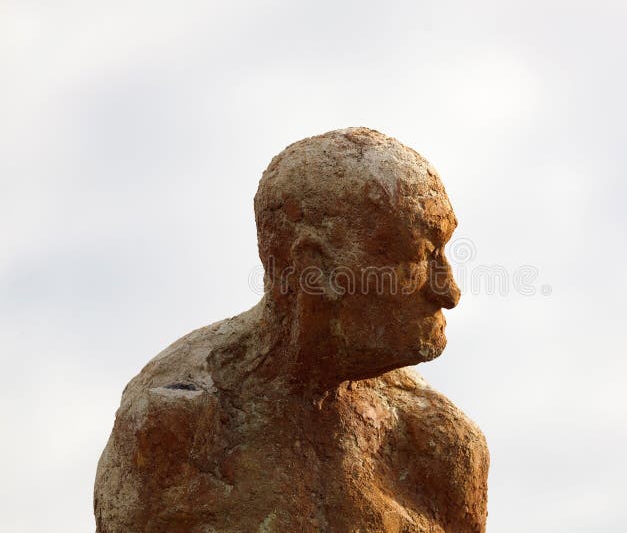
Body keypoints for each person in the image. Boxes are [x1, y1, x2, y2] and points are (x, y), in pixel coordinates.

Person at [95, 128, 489, 533]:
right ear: (313, 269)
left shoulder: (439, 446)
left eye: (444, 250)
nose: (448, 292)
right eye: (419, 257)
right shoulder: (176, 431)